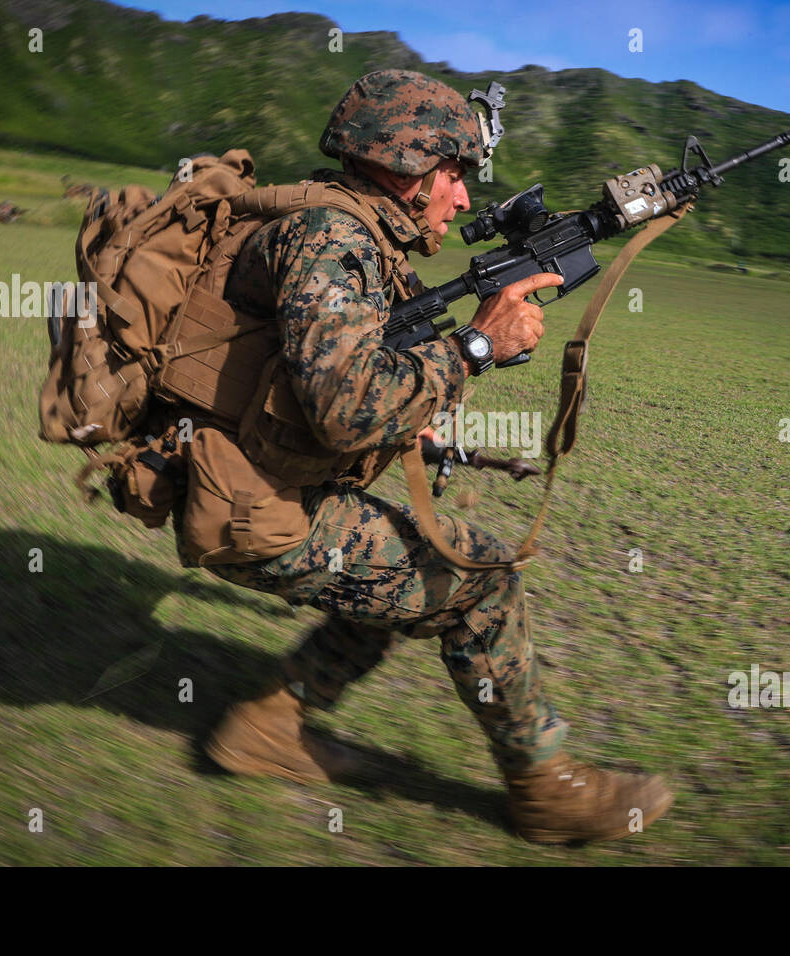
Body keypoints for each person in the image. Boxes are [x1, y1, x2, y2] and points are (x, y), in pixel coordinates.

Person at [188, 69, 672, 845]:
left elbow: (334, 375)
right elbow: (346, 408)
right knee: (476, 577)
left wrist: (424, 411)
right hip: (253, 507)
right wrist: (478, 344)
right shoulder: (332, 238)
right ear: (406, 163)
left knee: (398, 576)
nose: (463, 198)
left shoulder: (352, 232)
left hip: (249, 482)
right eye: (456, 173)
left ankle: (269, 727)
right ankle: (546, 790)